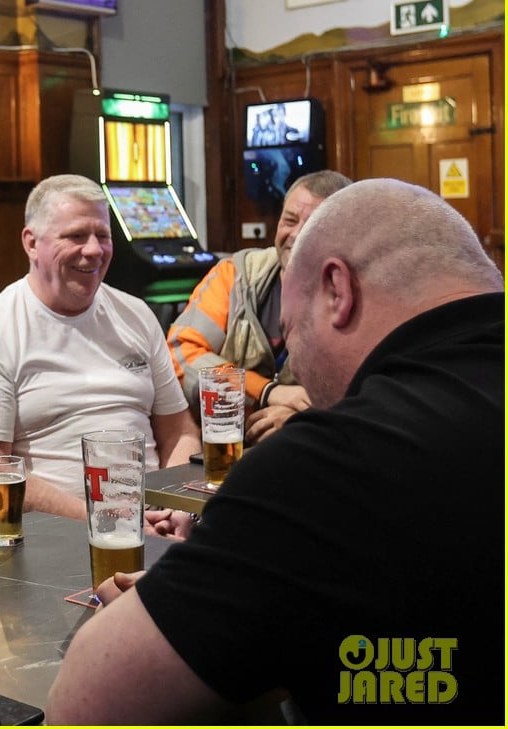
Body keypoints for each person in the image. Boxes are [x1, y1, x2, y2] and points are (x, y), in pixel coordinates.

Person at [47, 179, 504, 725]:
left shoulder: (325, 467)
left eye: (294, 330)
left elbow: (85, 707)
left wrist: (202, 599)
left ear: (338, 291)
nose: (302, 369)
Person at [0, 174, 200, 522]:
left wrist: (178, 507)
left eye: (103, 236)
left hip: (152, 522)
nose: (94, 249)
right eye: (76, 235)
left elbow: (180, 432)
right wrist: (104, 521)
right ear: (31, 243)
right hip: (45, 535)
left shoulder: (136, 314)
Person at [167, 170, 350, 445]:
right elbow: (181, 354)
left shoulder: (358, 295)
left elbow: (372, 386)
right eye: (289, 220)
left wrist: (304, 417)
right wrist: (266, 391)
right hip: (224, 451)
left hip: (314, 450)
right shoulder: (237, 275)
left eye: (312, 225)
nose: (296, 233)